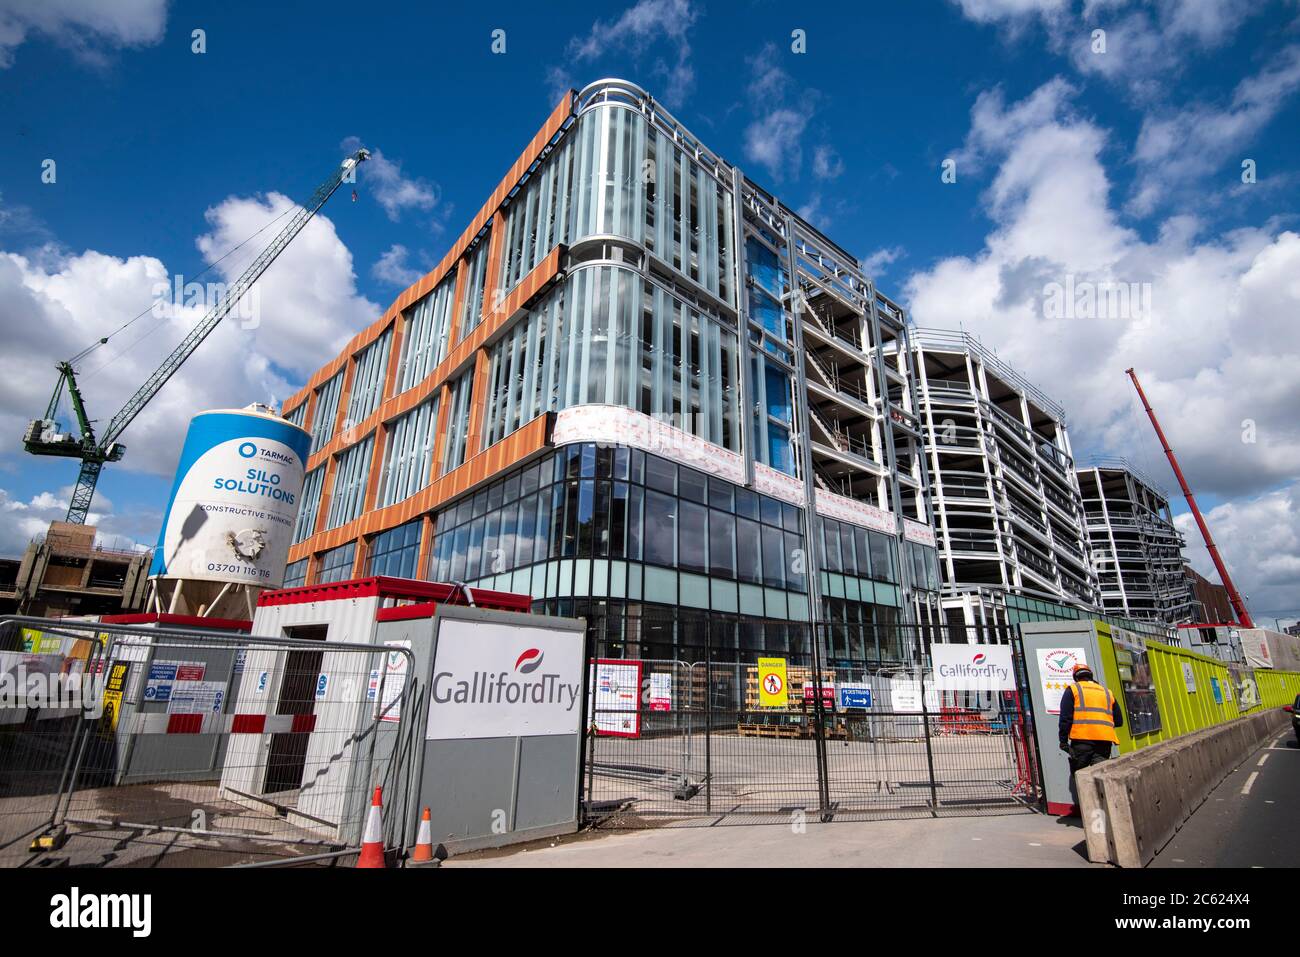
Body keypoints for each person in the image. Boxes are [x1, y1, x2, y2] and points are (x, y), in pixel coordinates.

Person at [1058, 663, 1123, 781]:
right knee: (1101, 777)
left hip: (1081, 741)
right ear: (1091, 676)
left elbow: (1065, 718)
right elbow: (1118, 721)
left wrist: (1063, 741)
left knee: (1080, 778)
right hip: (1104, 742)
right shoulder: (1107, 692)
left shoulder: (1073, 689)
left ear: (1076, 677)